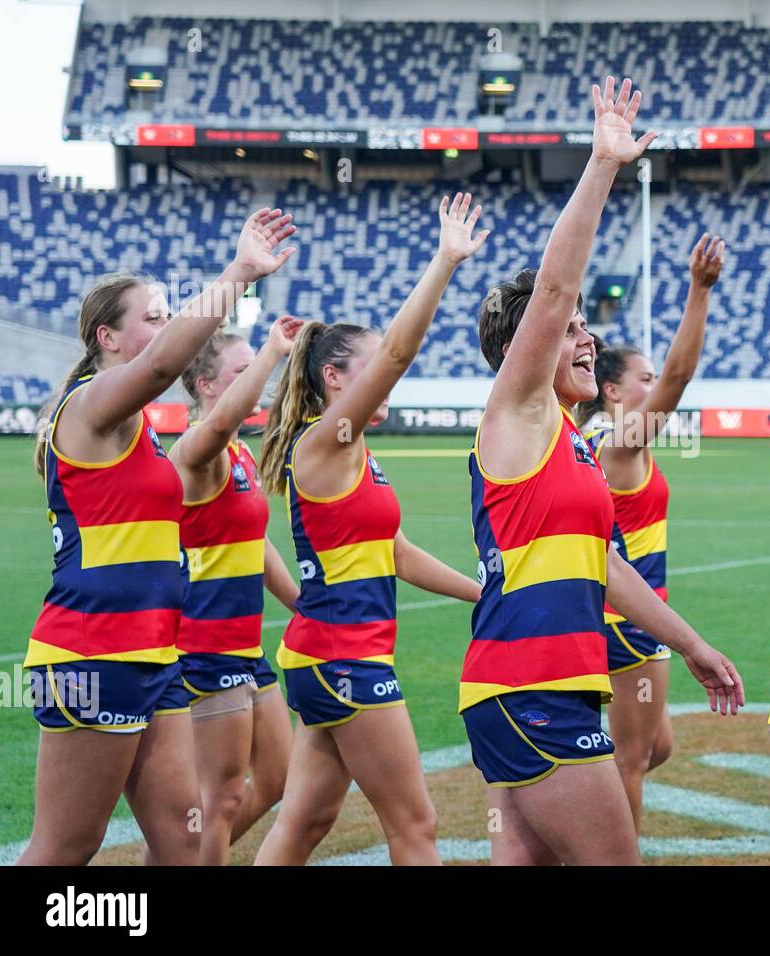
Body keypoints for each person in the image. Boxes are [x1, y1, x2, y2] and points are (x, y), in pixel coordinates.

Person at [463, 77, 743, 866]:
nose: (585, 338)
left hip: (530, 685)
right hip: (534, 687)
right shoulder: (514, 412)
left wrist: (689, 644)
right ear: (524, 350)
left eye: (588, 327)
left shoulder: (569, 441)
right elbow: (552, 288)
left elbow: (605, 563)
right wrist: (603, 164)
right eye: (570, 329)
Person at [19, 208, 297, 865]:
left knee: (186, 840)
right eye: (153, 315)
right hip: (93, 655)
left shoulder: (137, 427)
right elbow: (160, 368)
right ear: (106, 336)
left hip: (153, 654)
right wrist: (242, 273)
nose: (166, 327)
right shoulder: (91, 405)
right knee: (67, 847)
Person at [253, 193, 486, 865]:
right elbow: (400, 351)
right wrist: (444, 261)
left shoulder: (357, 451)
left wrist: (483, 593)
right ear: (334, 378)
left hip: (332, 656)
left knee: (304, 824)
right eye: (372, 368)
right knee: (415, 827)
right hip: (343, 658)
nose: (388, 380)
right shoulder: (325, 441)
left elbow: (398, 553)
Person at [574, 232, 725, 831]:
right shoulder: (621, 443)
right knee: (631, 759)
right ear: (612, 391)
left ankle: (578, 826)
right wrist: (698, 291)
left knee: (652, 747)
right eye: (643, 378)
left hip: (613, 618)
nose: (653, 384)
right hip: (630, 623)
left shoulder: (591, 442)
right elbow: (681, 380)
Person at [169, 317, 304, 864]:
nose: (259, 379)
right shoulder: (197, 450)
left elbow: (257, 542)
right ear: (206, 385)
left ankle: (190, 856)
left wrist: (302, 603)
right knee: (220, 798)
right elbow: (221, 424)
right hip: (204, 649)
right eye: (243, 371)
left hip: (245, 649)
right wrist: (274, 351)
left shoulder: (241, 453)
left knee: (276, 779)